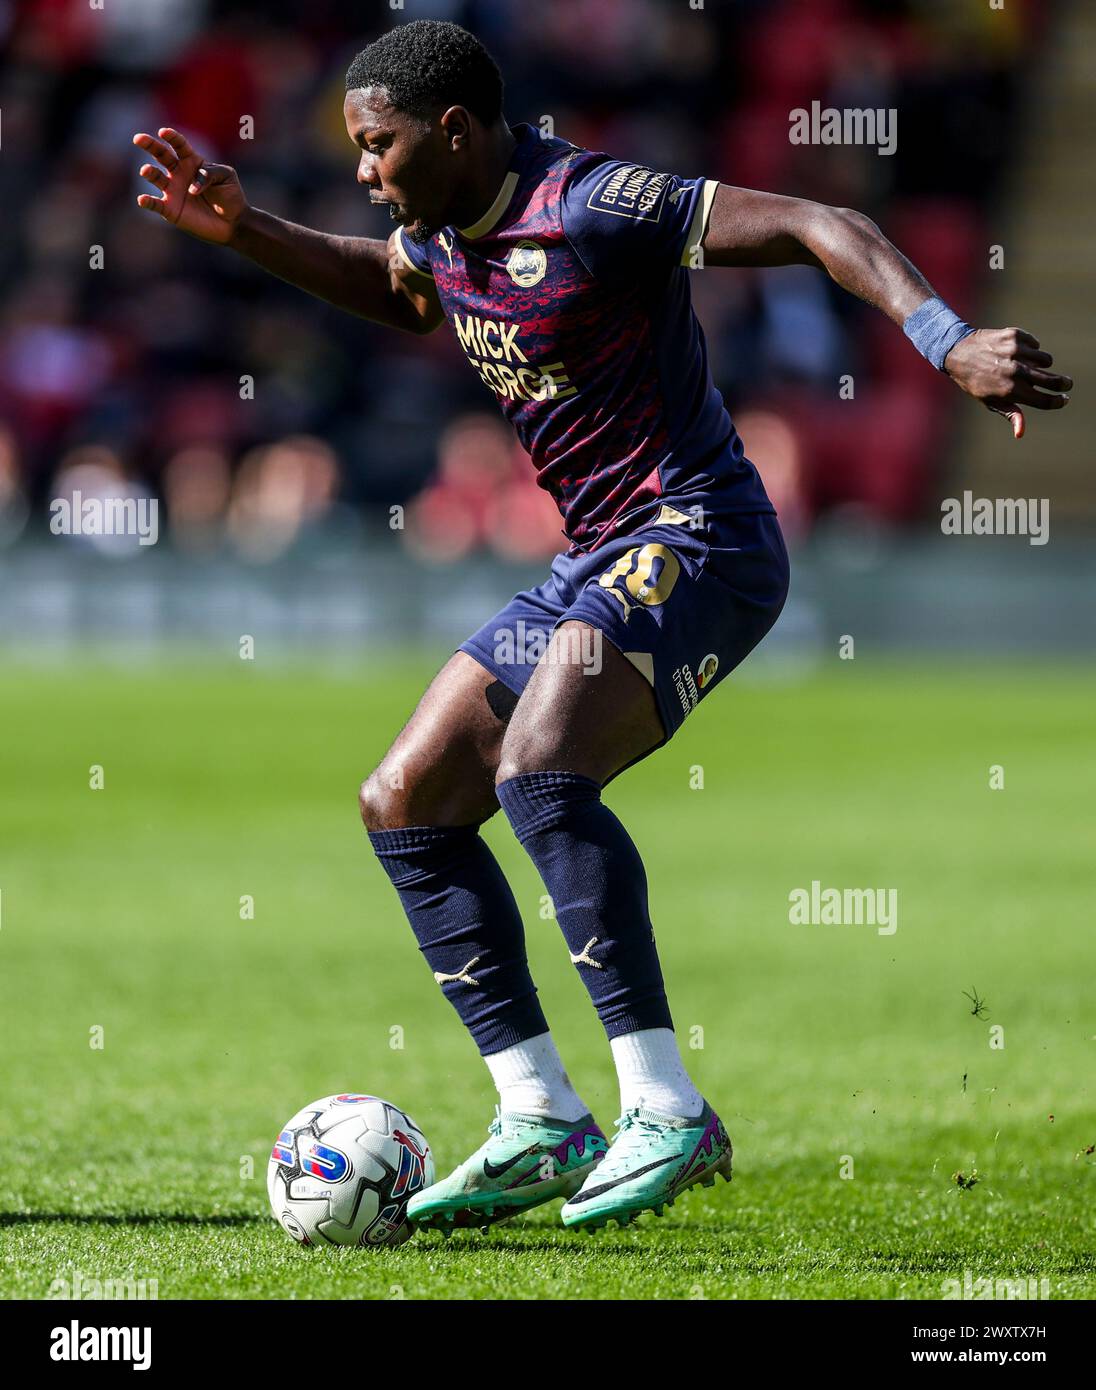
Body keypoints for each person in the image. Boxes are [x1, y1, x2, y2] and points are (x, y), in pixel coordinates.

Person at [133, 19, 1072, 1233]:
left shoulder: (594, 201)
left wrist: (943, 340)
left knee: (540, 770)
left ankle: (666, 1108)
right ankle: (538, 1115)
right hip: (596, 560)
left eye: (378, 145)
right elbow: (406, 289)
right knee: (405, 801)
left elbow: (812, 223)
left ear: (456, 132)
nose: (362, 167)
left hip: (702, 542)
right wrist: (245, 229)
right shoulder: (437, 222)